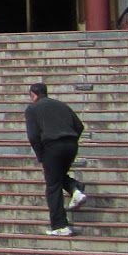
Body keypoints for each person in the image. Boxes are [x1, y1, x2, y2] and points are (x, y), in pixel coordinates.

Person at [24, 83, 87, 237]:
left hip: (52, 146)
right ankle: (75, 189)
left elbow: (33, 136)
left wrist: (41, 156)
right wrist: (71, 140)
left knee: (52, 186)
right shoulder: (61, 105)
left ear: (33, 95)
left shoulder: (32, 109)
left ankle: (60, 225)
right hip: (71, 145)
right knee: (57, 177)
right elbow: (79, 126)